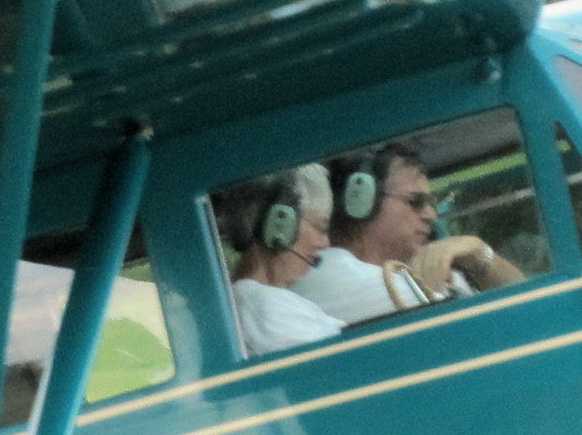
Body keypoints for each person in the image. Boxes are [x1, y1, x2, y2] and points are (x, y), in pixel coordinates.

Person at [303, 145, 519, 322]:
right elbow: (521, 309)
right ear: (361, 201)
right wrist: (477, 251)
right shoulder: (386, 285)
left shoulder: (311, 274)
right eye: (415, 201)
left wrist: (478, 252)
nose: (431, 215)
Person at [219, 168, 343, 357]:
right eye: (320, 227)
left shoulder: (260, 300)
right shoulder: (266, 308)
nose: (325, 243)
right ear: (280, 223)